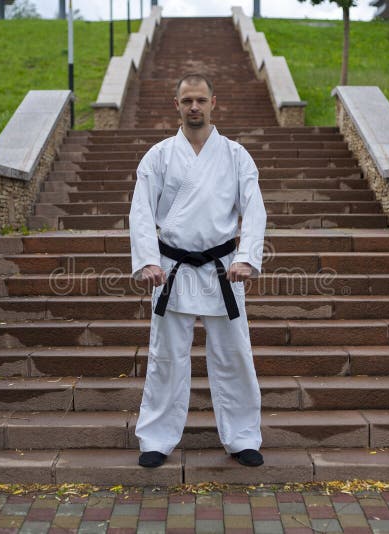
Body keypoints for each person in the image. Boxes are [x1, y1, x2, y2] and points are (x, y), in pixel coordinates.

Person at [128, 73, 268, 468]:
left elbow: (254, 207)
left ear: (212, 103)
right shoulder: (159, 156)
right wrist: (148, 259)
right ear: (176, 104)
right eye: (187, 100)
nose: (194, 107)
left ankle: (242, 437)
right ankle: (155, 439)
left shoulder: (236, 155)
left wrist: (247, 256)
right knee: (165, 357)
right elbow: (141, 211)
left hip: (223, 269)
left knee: (234, 355)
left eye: (201, 100)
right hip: (172, 268)